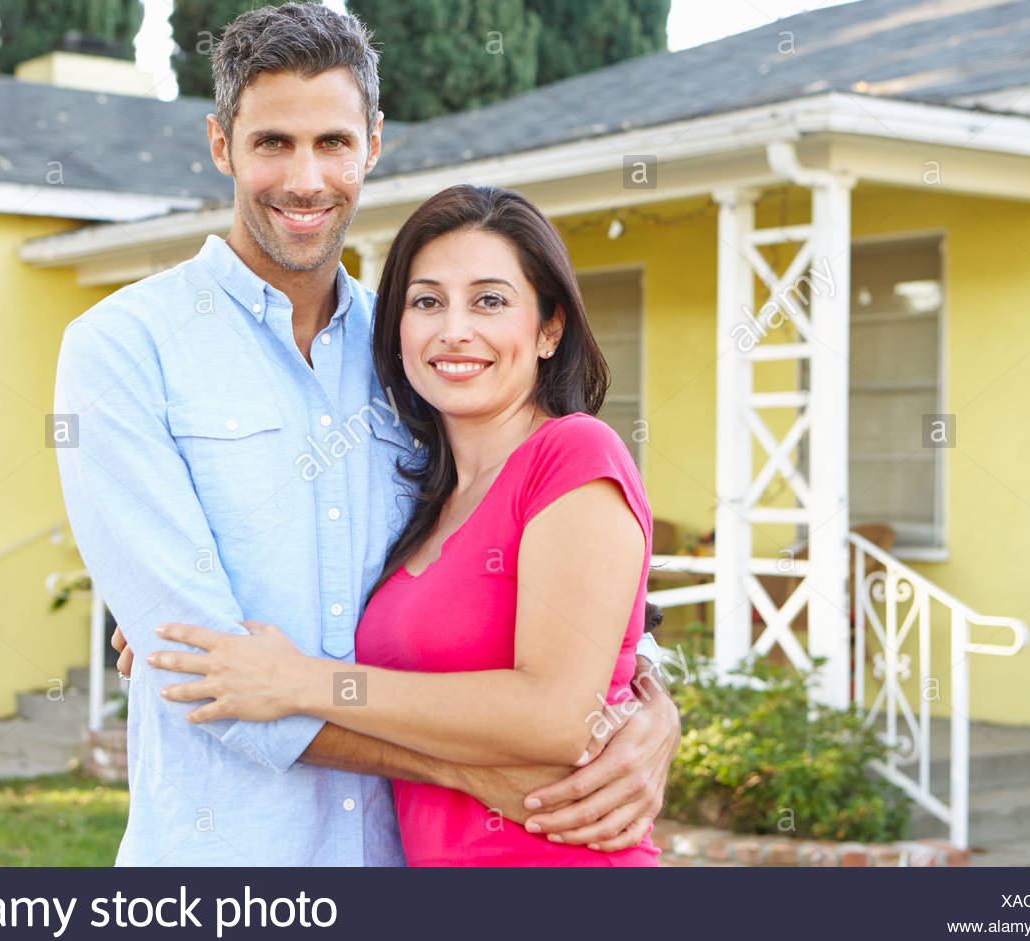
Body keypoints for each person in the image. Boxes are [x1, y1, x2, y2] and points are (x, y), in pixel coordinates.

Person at [55, 3, 679, 867]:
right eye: (273, 142)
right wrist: (472, 772)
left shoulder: (411, 360)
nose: (306, 180)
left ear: (373, 144)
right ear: (220, 144)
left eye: (334, 144)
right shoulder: (122, 350)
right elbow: (205, 674)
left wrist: (650, 703)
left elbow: (519, 569)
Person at [147, 185, 663, 865]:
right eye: (427, 301)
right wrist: (171, 611)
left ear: (548, 329)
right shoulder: (420, 490)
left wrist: (300, 681)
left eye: (489, 300)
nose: (454, 329)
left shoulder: (574, 455)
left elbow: (560, 715)